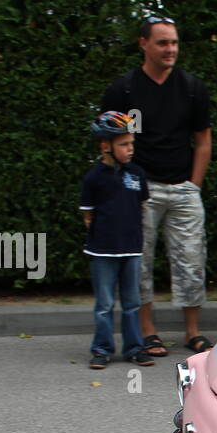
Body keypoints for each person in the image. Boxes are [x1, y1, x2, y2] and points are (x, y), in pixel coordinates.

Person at [100, 15, 213, 356]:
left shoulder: (192, 88)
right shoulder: (124, 89)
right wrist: (124, 187)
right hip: (140, 189)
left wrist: (194, 185)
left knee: (192, 261)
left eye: (174, 42)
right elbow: (108, 142)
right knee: (140, 263)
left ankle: (192, 332)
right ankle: (148, 332)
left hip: (183, 189)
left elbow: (203, 141)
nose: (170, 49)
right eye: (162, 42)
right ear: (143, 44)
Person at [79, 112, 153, 369]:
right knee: (105, 304)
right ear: (105, 146)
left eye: (131, 143)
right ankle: (101, 349)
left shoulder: (137, 174)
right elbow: (88, 215)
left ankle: (134, 348)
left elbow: (142, 206)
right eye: (123, 144)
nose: (130, 149)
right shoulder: (93, 178)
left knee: (132, 302)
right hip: (103, 252)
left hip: (131, 249)